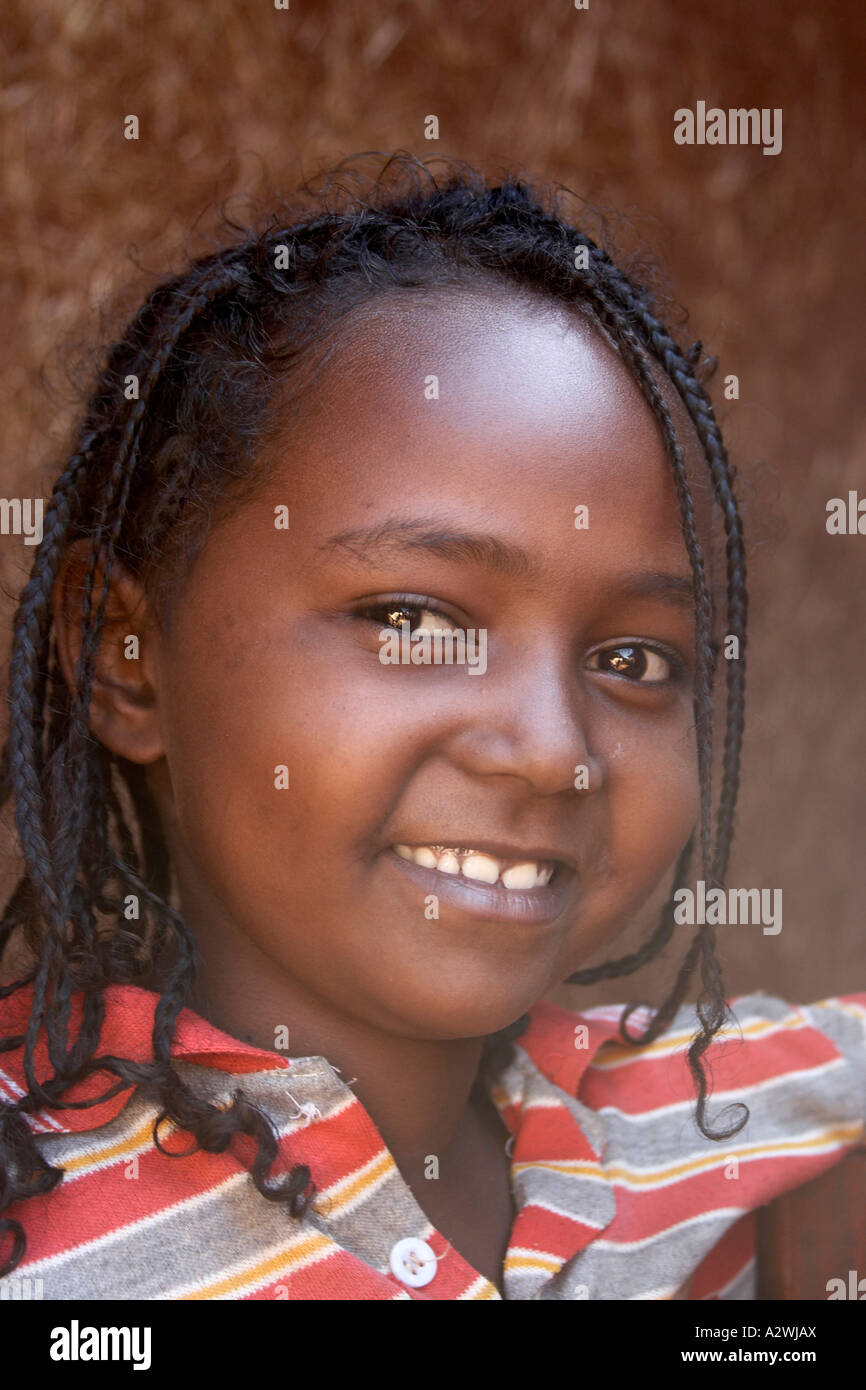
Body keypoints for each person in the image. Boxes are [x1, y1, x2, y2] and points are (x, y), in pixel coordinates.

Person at [0, 153, 862, 1301]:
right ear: (127, 658)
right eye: (412, 618)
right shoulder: (37, 1232)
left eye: (632, 660)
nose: (554, 748)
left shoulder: (720, 1124)